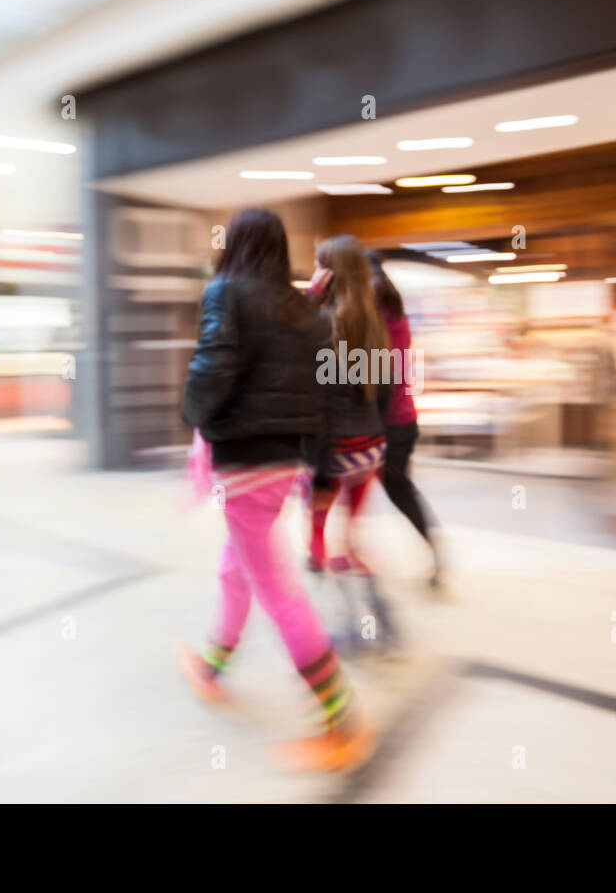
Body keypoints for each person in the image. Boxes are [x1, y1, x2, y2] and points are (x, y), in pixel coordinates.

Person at [177, 208, 374, 773]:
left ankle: (342, 720)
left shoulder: (225, 293)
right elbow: (306, 385)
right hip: (284, 462)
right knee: (235, 564)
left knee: (278, 592)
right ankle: (212, 664)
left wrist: (190, 414)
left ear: (234, 244)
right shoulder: (303, 312)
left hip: (241, 463)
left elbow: (212, 368)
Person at [304, 236, 398, 647]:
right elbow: (385, 392)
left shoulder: (326, 323)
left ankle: (322, 551)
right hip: (372, 446)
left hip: (339, 449)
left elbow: (318, 399)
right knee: (353, 522)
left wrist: (310, 301)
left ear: (328, 275)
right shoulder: (374, 323)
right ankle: (352, 555)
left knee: (319, 495)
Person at [369, 257, 443, 591]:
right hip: (403, 420)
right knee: (400, 489)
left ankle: (339, 560)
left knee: (388, 488)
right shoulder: (395, 313)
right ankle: (433, 547)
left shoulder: (374, 316)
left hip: (386, 424)